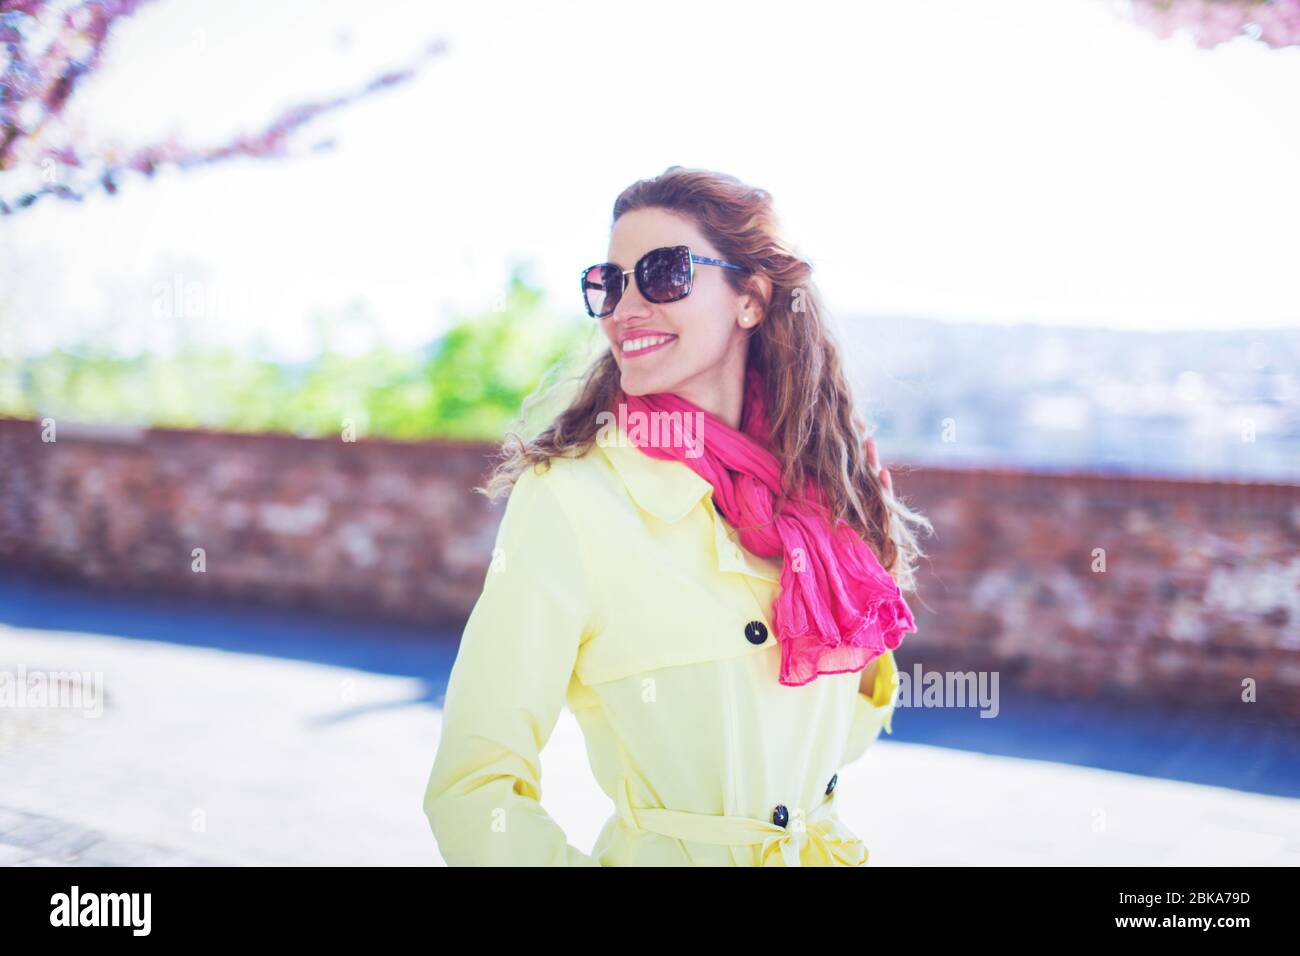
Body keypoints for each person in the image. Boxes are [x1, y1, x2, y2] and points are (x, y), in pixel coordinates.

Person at [421, 166, 933, 866]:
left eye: (663, 274)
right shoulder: (572, 501)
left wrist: (855, 573)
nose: (624, 307)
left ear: (750, 298)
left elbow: (828, 748)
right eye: (609, 282)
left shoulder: (820, 502)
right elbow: (473, 787)